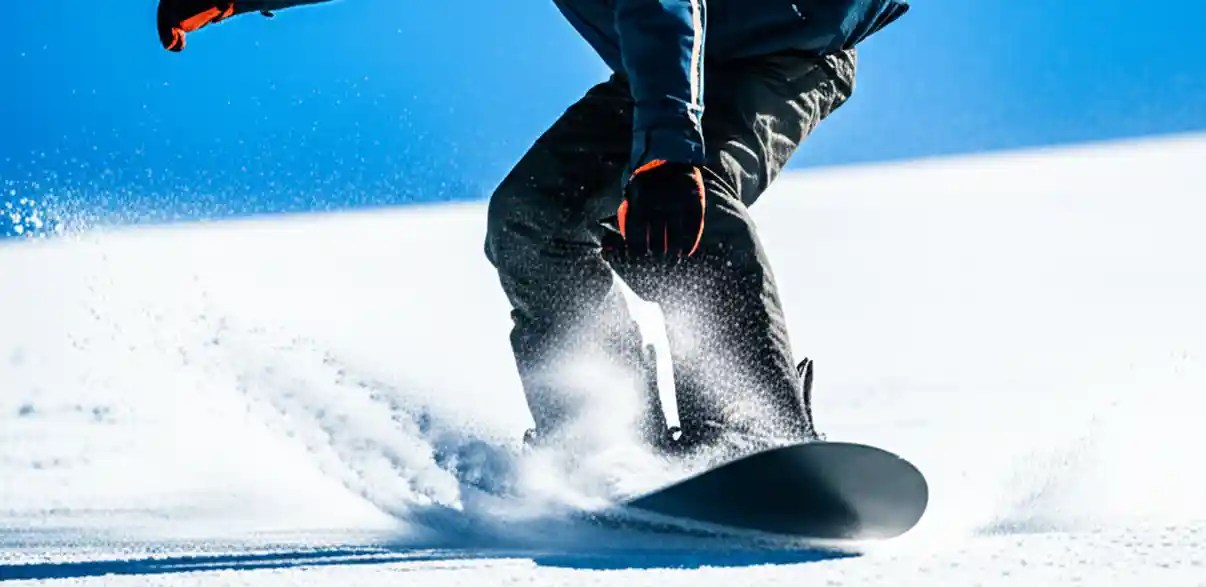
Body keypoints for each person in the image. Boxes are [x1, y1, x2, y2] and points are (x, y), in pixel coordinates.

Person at [157, 0, 909, 456]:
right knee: (530, 219)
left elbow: (661, 5)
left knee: (689, 183)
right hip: (671, 62)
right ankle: (603, 430)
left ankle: (750, 422)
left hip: (788, 39)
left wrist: (668, 151)